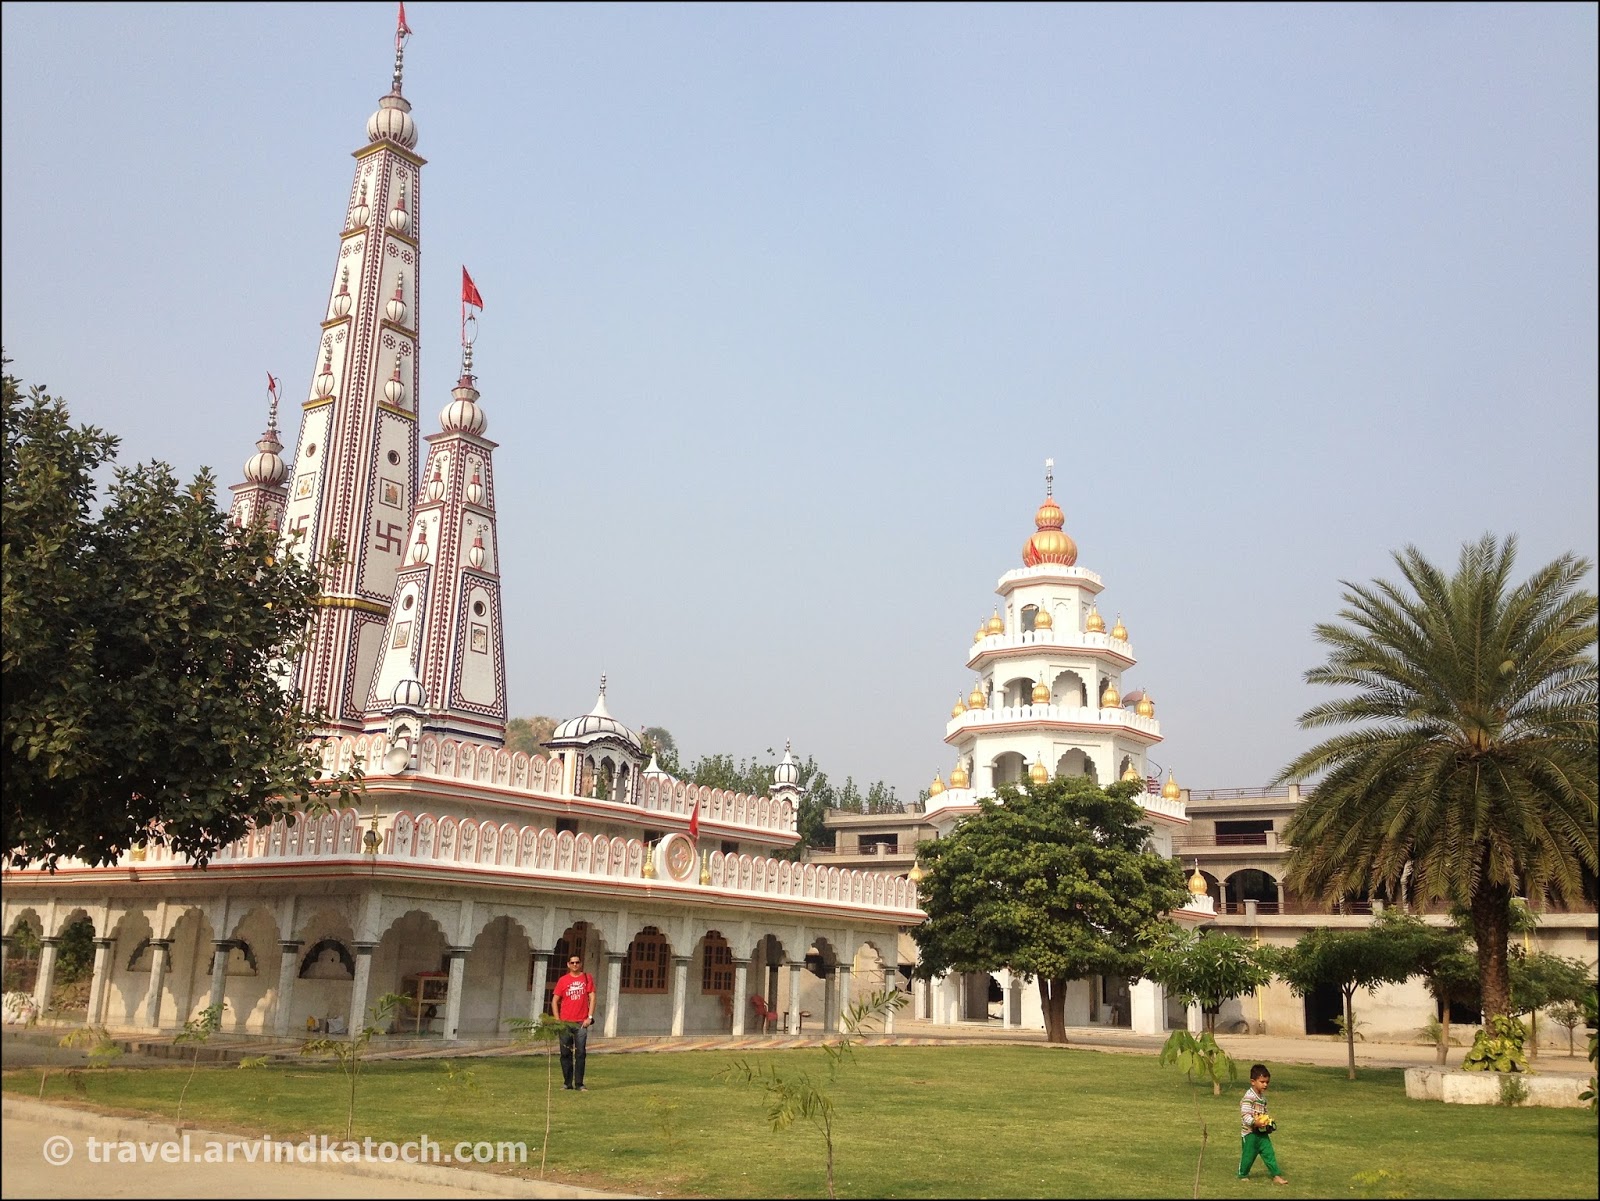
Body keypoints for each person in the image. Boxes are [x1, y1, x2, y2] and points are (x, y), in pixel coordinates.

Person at [551, 954, 596, 1090]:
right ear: (568, 964)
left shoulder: (587, 978)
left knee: (580, 1053)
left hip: (581, 1022)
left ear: (580, 964)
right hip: (565, 1022)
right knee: (565, 1053)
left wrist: (589, 1017)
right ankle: (567, 1082)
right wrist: (557, 1020)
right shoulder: (563, 980)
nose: (575, 965)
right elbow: (554, 1001)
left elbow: (592, 998)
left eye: (577, 962)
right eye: (572, 963)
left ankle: (579, 1083)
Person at [1239, 1063, 1288, 1184]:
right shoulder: (1249, 1097)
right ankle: (1242, 1174)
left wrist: (1268, 1121)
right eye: (1262, 1082)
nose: (1265, 1084)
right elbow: (1245, 1115)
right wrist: (1255, 1122)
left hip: (1262, 1133)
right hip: (1250, 1133)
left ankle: (1276, 1175)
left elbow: (1264, 1112)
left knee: (1269, 1153)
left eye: (1267, 1082)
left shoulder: (1263, 1098)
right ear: (1253, 1081)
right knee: (1248, 1156)